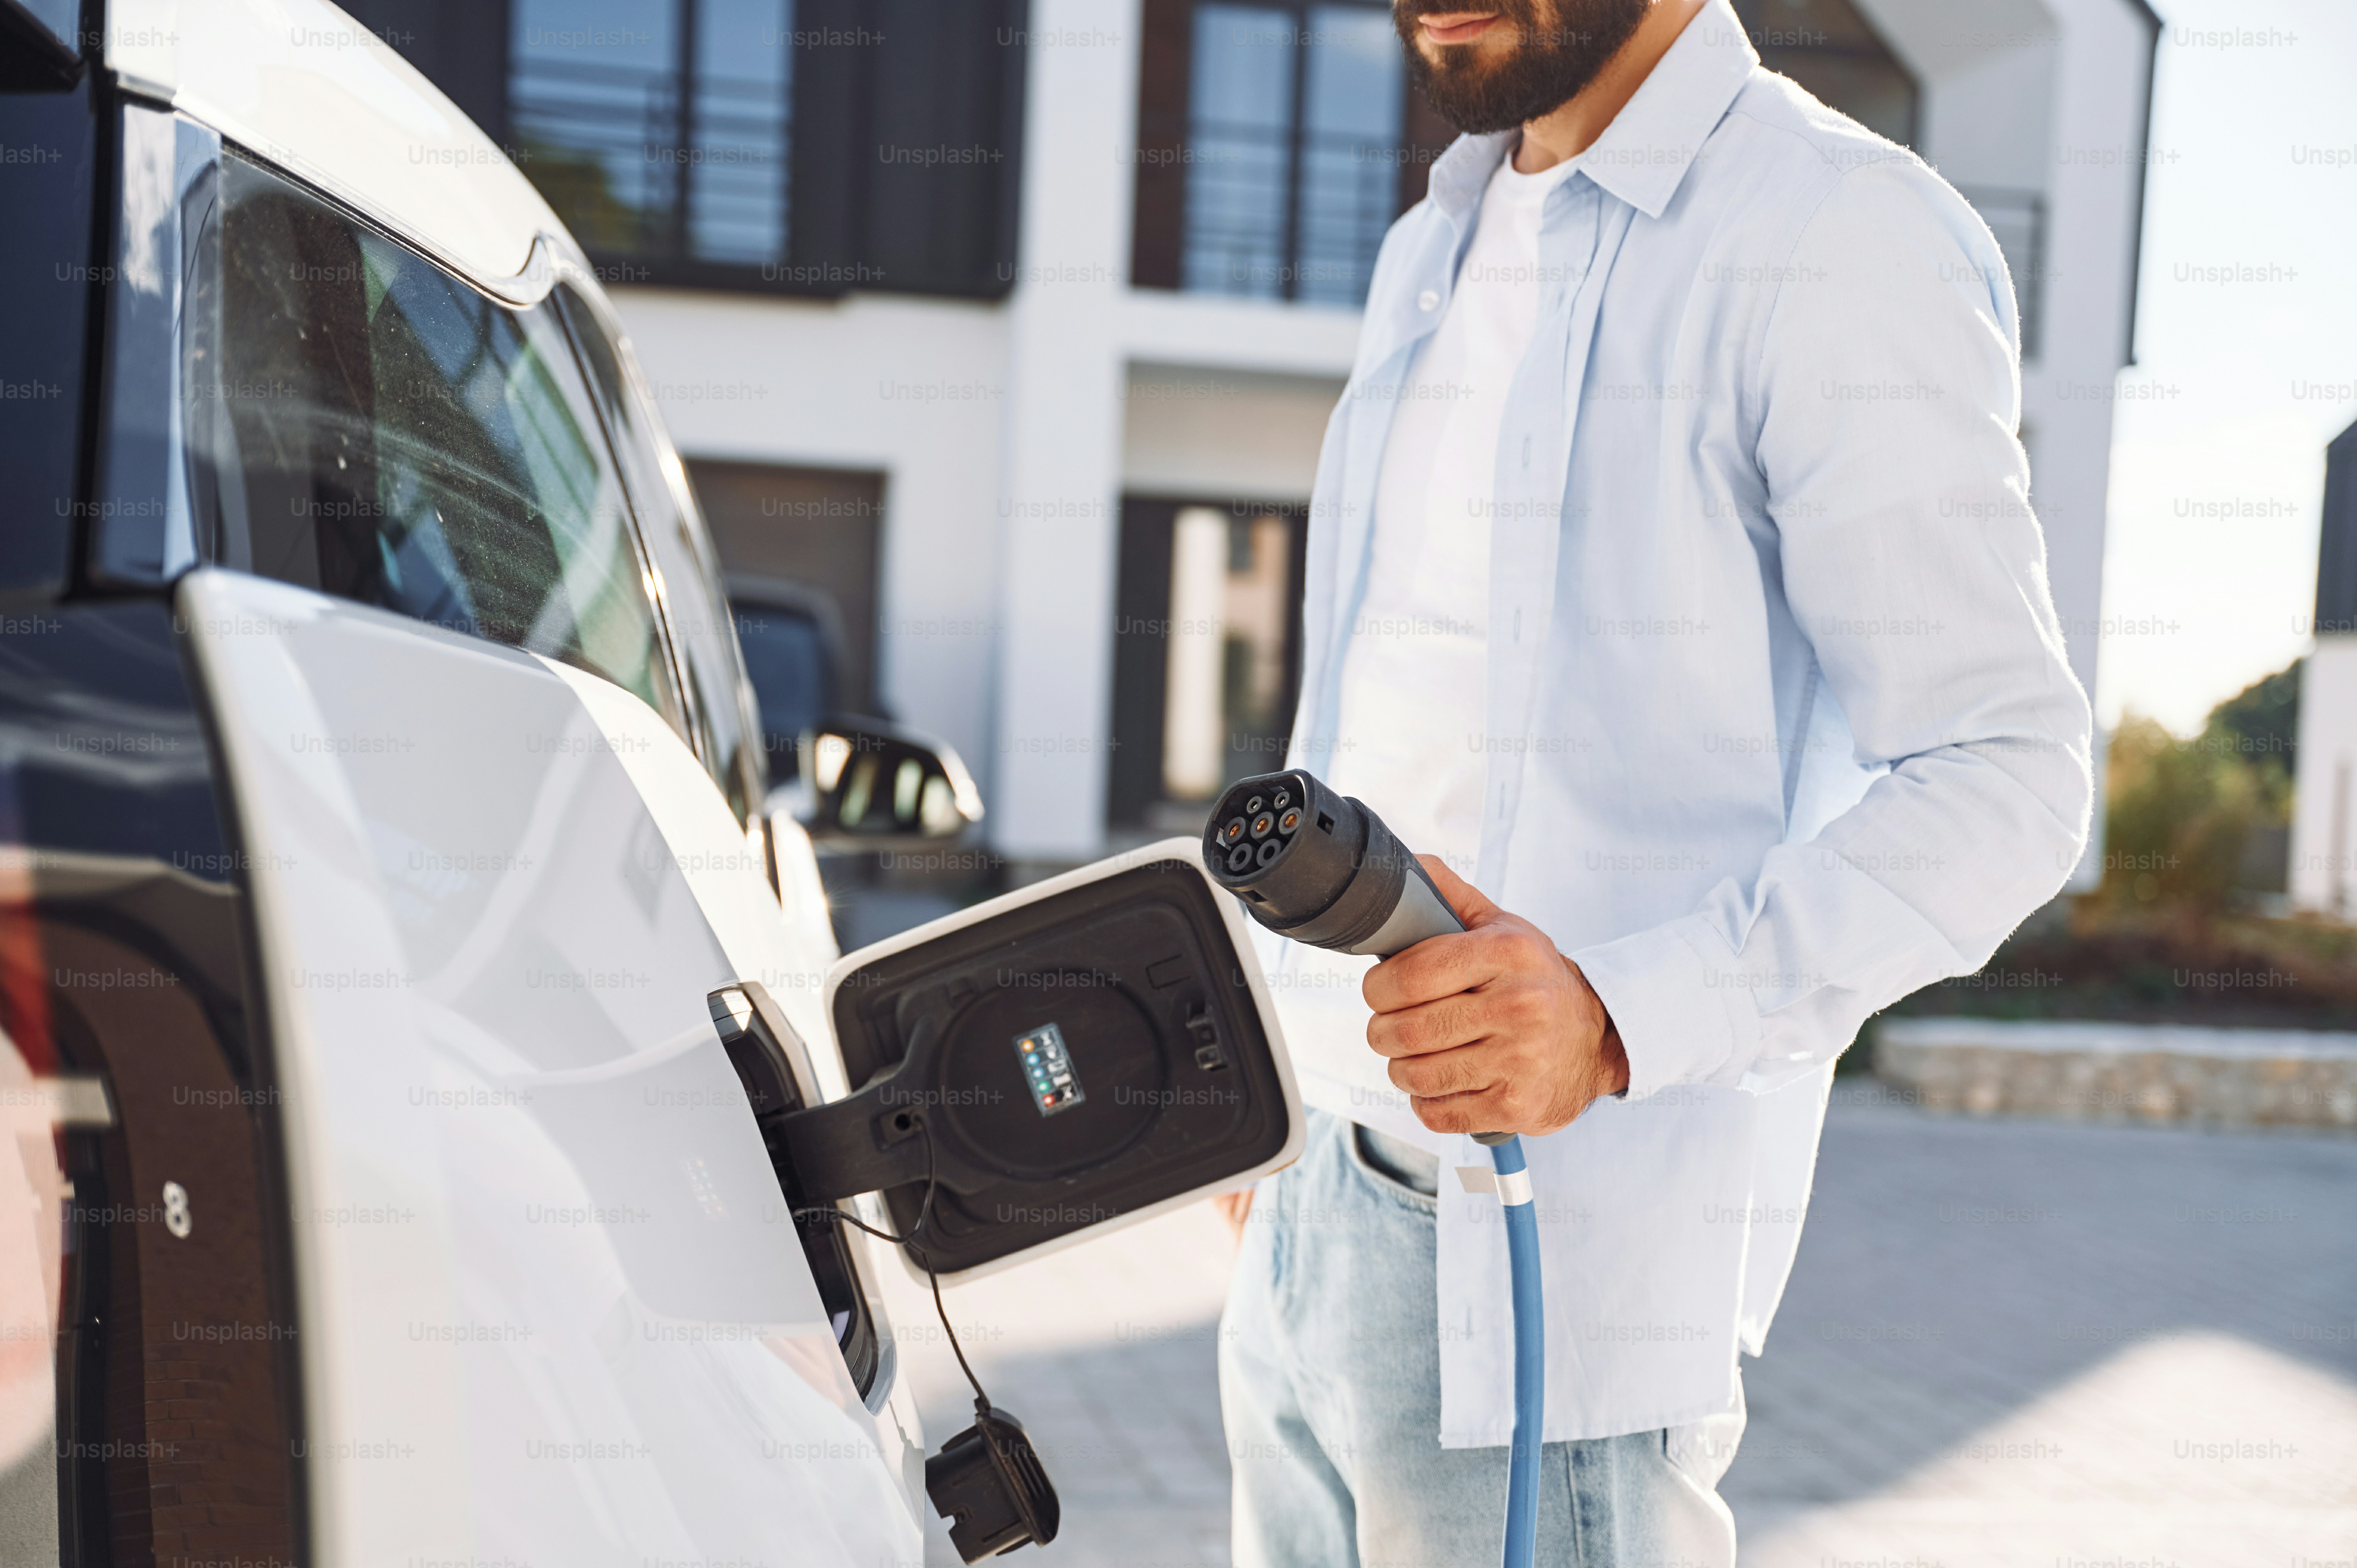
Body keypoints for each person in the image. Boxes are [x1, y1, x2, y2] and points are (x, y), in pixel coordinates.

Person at [1213, 0, 2094, 1564]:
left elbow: (2005, 777)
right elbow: (1379, 706)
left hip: (1549, 1277)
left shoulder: (1836, 236)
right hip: (1307, 1206)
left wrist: (1618, 1018)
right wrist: (1281, 1090)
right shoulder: (1434, 241)